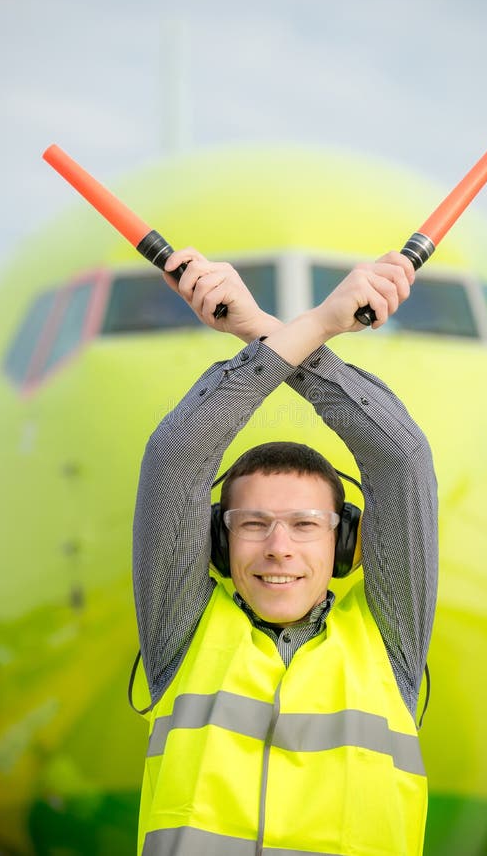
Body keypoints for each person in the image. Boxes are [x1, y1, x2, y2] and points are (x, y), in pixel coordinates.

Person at [131, 248, 438, 856]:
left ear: (346, 542)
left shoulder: (389, 639)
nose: (278, 548)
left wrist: (271, 329)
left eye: (304, 524)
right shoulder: (183, 632)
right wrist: (316, 324)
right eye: (253, 524)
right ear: (218, 540)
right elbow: (176, 460)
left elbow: (400, 459)